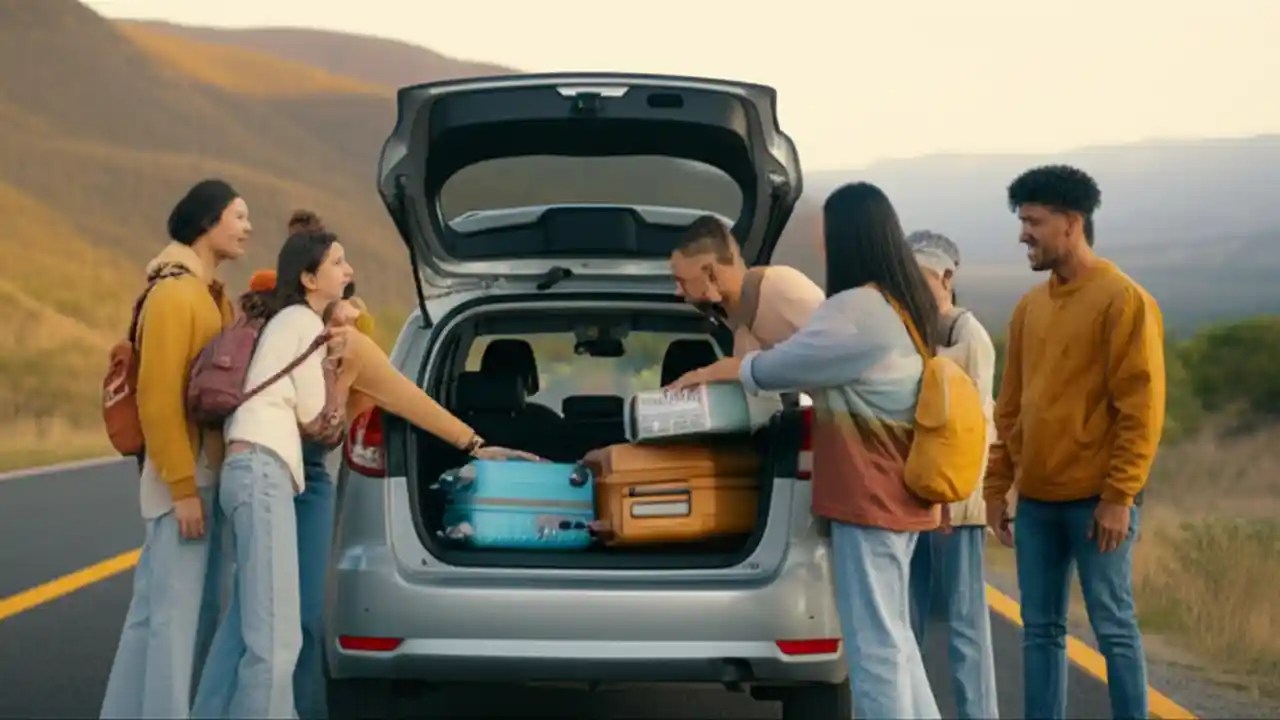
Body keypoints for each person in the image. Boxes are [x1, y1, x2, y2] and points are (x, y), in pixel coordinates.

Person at [673, 182, 942, 719]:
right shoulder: (891, 304)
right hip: (895, 493)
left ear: (851, 238)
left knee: (874, 649)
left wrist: (724, 369)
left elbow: (780, 368)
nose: (821, 248)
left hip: (871, 497)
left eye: (826, 237)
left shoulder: (858, 311)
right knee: (895, 639)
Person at [985, 164, 1166, 720]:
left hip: (1097, 504)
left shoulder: (1123, 300)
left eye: (1034, 222)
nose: (1023, 235)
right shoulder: (1029, 307)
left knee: (1113, 629)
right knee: (1039, 631)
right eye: (1022, 222)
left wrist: (1119, 496)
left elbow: (1141, 409)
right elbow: (1009, 405)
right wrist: (997, 485)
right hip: (1037, 502)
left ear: (1072, 222)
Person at [100, 179, 248, 719]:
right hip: (184, 477)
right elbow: (157, 398)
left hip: (195, 472)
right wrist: (184, 489)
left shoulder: (208, 293)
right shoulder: (173, 294)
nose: (247, 227)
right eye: (238, 216)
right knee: (175, 622)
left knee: (152, 614)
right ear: (208, 222)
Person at [905, 230, 1000, 720]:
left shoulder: (970, 336)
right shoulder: (910, 331)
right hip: (911, 497)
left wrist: (951, 498)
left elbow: (973, 427)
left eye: (921, 277)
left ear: (946, 276)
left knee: (965, 625)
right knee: (908, 619)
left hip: (955, 504)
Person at [666, 215, 825, 387]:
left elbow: (838, 349)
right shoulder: (742, 331)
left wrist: (705, 374)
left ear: (711, 276)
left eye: (682, 281)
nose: (679, 291)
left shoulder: (781, 287)